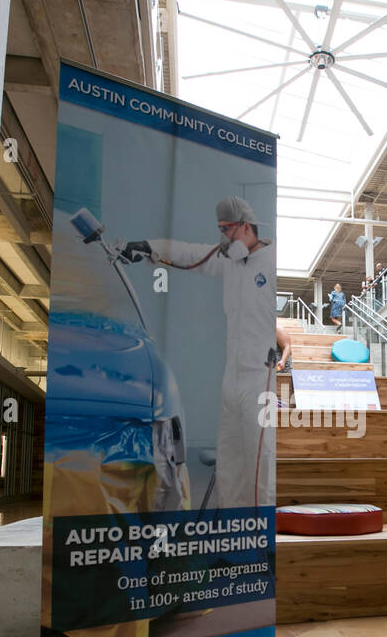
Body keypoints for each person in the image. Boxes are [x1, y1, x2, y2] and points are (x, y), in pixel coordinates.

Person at [118, 196, 275, 508]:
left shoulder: (273, 262)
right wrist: (148, 246)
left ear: (246, 226)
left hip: (261, 376)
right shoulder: (228, 261)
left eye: (227, 229)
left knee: (261, 464)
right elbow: (188, 252)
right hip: (232, 379)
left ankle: (261, 543)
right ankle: (232, 544)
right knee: (229, 463)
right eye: (219, 229)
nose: (222, 237)